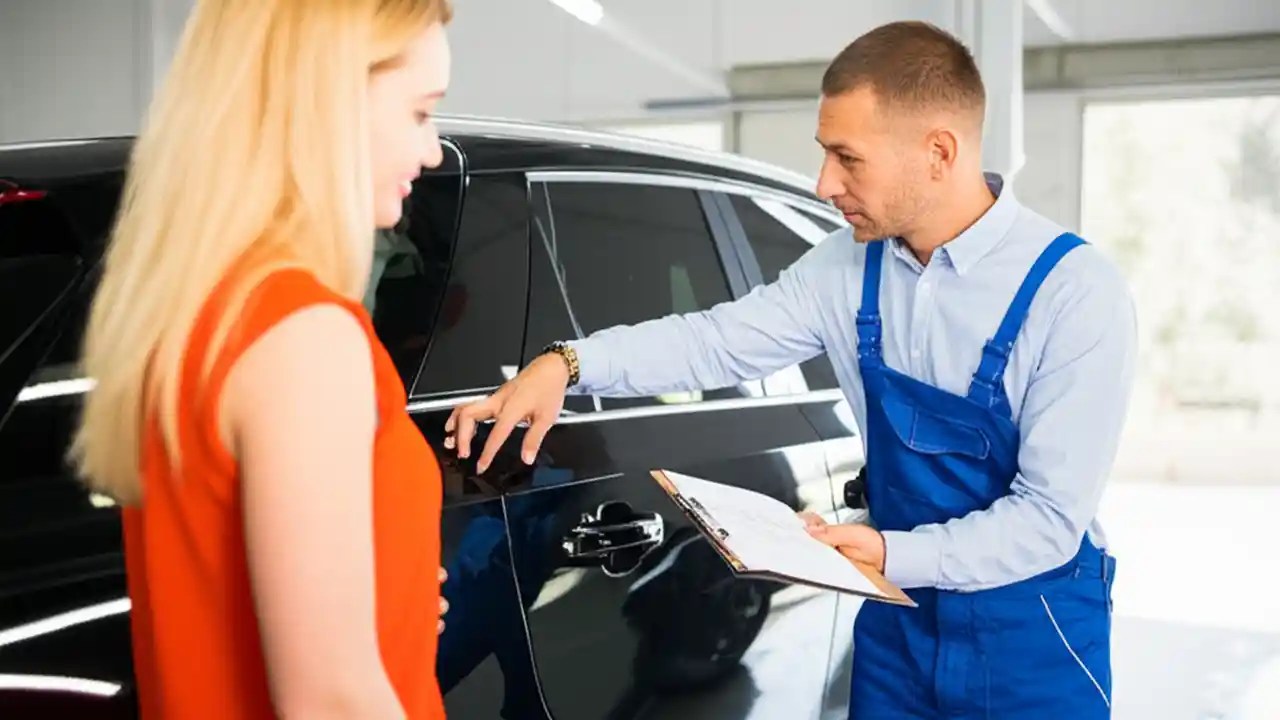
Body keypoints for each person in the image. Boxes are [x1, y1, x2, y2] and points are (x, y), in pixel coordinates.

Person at [446, 20, 1136, 719]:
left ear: (939, 152)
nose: (824, 182)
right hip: (897, 628)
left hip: (1032, 632)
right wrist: (566, 364)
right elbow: (714, 341)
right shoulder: (847, 268)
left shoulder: (1073, 293)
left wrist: (891, 552)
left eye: (848, 157)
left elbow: (1049, 519)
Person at [70, 0, 454, 717]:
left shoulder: (196, 315)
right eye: (419, 113)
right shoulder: (303, 334)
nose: (431, 152)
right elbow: (332, 701)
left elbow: (226, 583)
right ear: (326, 107)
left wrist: (385, 596)